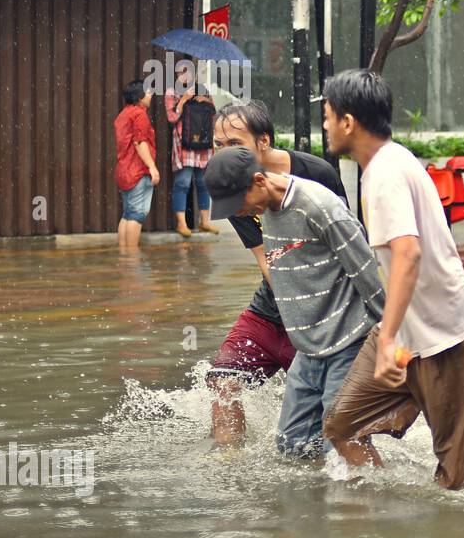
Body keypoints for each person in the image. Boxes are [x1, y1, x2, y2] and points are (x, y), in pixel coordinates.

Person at [320, 70, 464, 489]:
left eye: (328, 116)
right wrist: (392, 337)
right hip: (405, 339)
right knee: (342, 427)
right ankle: (386, 513)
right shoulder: (384, 165)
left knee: (456, 480)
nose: (324, 125)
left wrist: (386, 340)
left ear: (349, 122)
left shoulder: (386, 173)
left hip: (443, 337)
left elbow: (408, 253)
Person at [205, 147, 384, 457]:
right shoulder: (266, 212)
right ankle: (317, 504)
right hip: (308, 347)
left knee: (341, 442)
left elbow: (367, 270)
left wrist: (392, 334)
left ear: (259, 181)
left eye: (237, 203)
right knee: (292, 446)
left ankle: (365, 500)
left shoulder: (318, 206)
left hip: (348, 340)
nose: (237, 213)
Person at [203, 100, 348, 448]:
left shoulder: (316, 174)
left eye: (234, 144)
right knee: (224, 381)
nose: (223, 153)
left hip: (327, 315)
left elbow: (349, 248)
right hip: (273, 309)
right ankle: (230, 468)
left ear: (263, 141)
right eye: (217, 145)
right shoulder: (230, 187)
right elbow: (267, 260)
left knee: (333, 418)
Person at [165, 62, 218, 238]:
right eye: (181, 72)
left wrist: (207, 101)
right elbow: (172, 117)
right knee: (183, 182)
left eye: (187, 72)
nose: (184, 75)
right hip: (184, 144)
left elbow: (214, 116)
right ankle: (182, 224)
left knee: (204, 183)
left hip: (203, 144)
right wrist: (185, 99)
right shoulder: (172, 92)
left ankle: (205, 222)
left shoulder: (203, 89)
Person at [114, 80, 159, 250]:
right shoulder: (140, 115)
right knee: (136, 215)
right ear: (140, 97)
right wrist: (152, 167)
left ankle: (124, 255)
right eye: (148, 92)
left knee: (127, 215)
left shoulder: (123, 115)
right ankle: (132, 258)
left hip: (124, 171)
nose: (151, 95)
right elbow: (140, 143)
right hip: (137, 171)